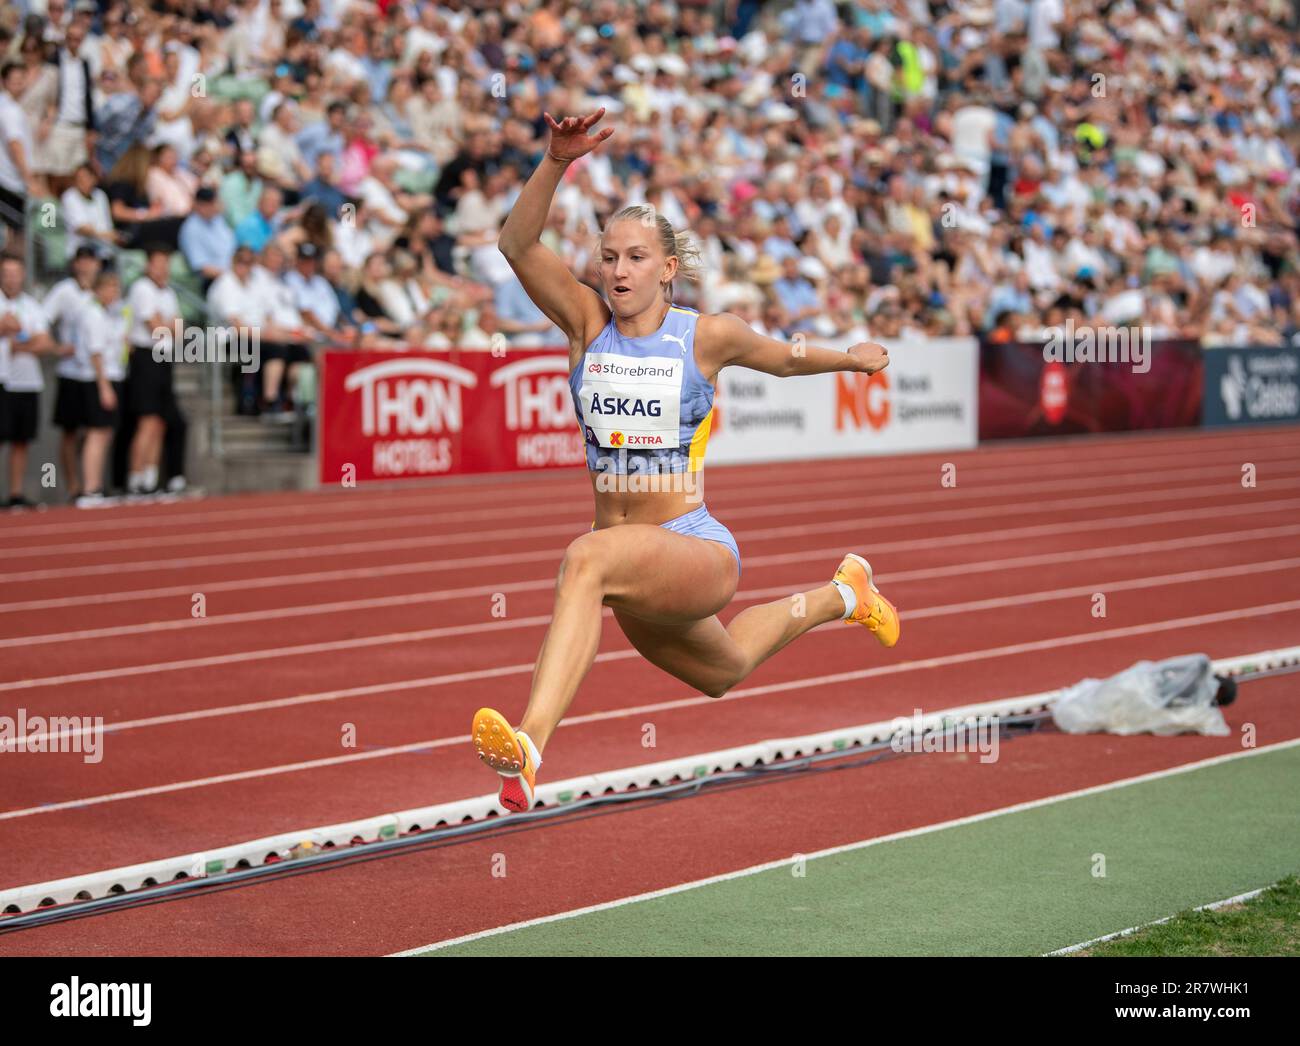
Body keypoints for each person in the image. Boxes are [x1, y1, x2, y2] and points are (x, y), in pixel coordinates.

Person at [471, 110, 900, 814]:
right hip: (638, 566)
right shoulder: (584, 324)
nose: (617, 270)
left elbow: (784, 359)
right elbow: (516, 242)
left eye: (635, 257)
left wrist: (849, 359)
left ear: (667, 269)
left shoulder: (704, 337)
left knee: (586, 560)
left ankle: (528, 748)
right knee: (723, 670)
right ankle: (845, 593)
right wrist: (556, 161)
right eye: (608, 257)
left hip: (695, 549)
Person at [0, 254, 61, 508]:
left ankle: (15, 494)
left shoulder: (31, 305)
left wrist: (21, 344)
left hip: (28, 381)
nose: (12, 278)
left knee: (21, 439)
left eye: (16, 273)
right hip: (3, 379)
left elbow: (47, 342)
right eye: (7, 273)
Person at [65, 268, 127, 507]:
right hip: (97, 378)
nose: (114, 292)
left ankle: (96, 486)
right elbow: (95, 353)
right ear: (98, 289)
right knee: (97, 432)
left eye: (116, 287)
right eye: (110, 287)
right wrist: (104, 387)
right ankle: (90, 488)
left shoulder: (108, 314)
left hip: (109, 376)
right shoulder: (93, 314)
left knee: (105, 432)